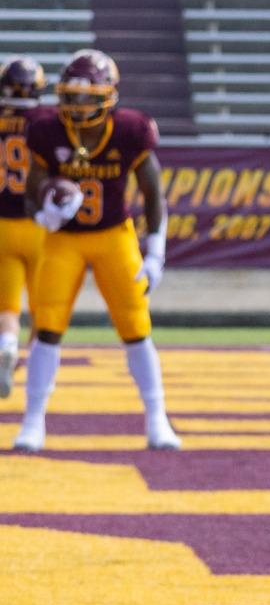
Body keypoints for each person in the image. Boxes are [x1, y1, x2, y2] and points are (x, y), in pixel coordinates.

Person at [17, 50, 174, 452]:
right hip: (63, 240)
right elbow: (31, 191)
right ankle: (33, 420)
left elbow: (153, 194)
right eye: (69, 96)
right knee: (47, 328)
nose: (75, 105)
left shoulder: (130, 130)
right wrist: (43, 215)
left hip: (113, 236)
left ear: (108, 97)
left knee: (136, 328)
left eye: (86, 97)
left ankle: (157, 418)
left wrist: (155, 252)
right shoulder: (46, 129)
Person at [0, 58, 47, 398]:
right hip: (40, 227)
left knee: (7, 308)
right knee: (44, 308)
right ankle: (39, 369)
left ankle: (7, 345)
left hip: (2, 227)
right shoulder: (46, 122)